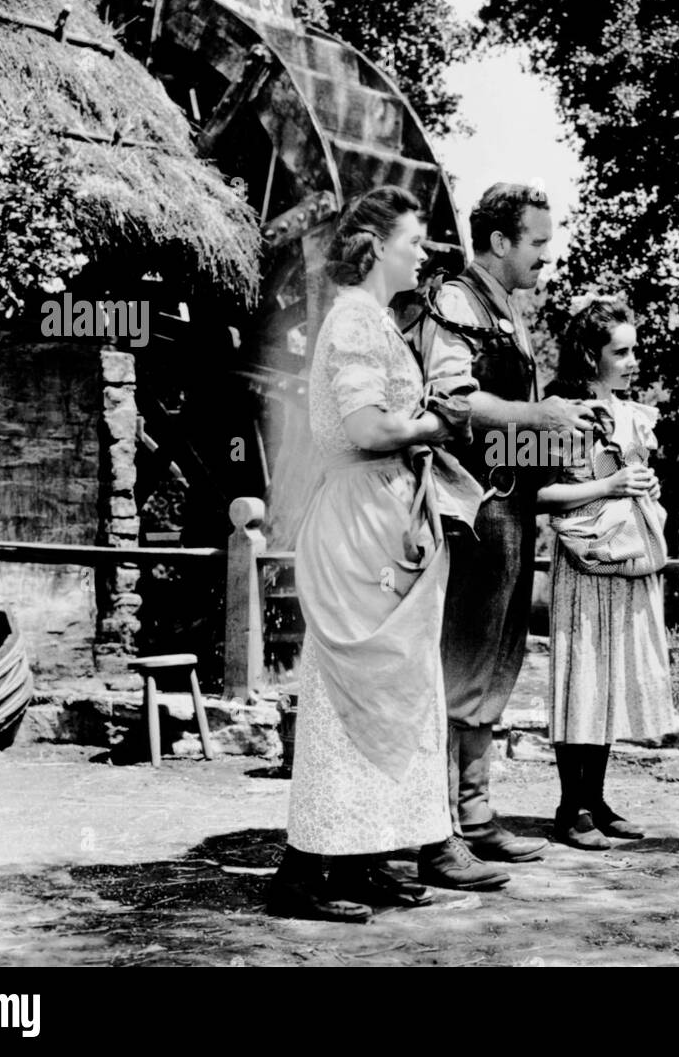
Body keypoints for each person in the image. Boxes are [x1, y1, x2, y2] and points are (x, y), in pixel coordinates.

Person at [266, 185, 481, 921]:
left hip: (386, 509)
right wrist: (435, 425)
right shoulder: (356, 320)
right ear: (375, 247)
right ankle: (304, 873)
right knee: (353, 688)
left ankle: (363, 858)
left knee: (392, 688)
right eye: (413, 242)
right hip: (359, 513)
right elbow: (362, 427)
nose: (423, 254)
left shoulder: (374, 320)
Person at [406, 183, 604, 889]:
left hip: (511, 504)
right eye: (538, 243)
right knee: (463, 659)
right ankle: (438, 829)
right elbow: (452, 400)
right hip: (474, 507)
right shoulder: (457, 300)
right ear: (498, 242)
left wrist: (560, 431)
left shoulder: (506, 309)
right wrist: (539, 419)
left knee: (499, 658)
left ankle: (476, 813)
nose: (548, 258)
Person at [536, 296, 674, 848]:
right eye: (622, 351)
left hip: (628, 560)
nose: (634, 359)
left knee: (610, 682)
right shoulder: (554, 410)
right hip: (584, 564)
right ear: (590, 357)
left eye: (635, 348)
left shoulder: (633, 413)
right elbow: (536, 495)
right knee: (583, 682)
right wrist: (609, 486)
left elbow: (629, 480)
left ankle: (596, 799)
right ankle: (570, 808)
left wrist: (645, 488)